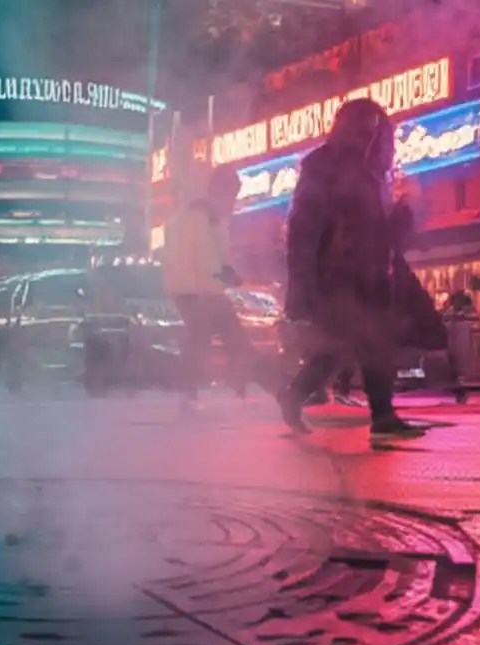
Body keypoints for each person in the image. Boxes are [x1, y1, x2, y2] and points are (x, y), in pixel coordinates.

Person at [279, 98, 424, 441]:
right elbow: (303, 228)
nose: (368, 138)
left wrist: (402, 212)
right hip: (337, 276)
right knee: (356, 344)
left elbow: (383, 230)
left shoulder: (372, 172)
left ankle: (298, 397)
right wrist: (302, 283)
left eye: (374, 131)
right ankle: (380, 416)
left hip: (369, 274)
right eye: (363, 130)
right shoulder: (323, 167)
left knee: (349, 347)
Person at [162, 166, 269, 411]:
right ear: (220, 192)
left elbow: (212, 256)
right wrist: (227, 275)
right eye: (231, 195)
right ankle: (233, 387)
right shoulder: (201, 217)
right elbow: (205, 259)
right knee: (218, 337)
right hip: (198, 289)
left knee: (211, 338)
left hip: (196, 288)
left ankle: (224, 387)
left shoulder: (204, 216)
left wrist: (227, 273)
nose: (232, 202)